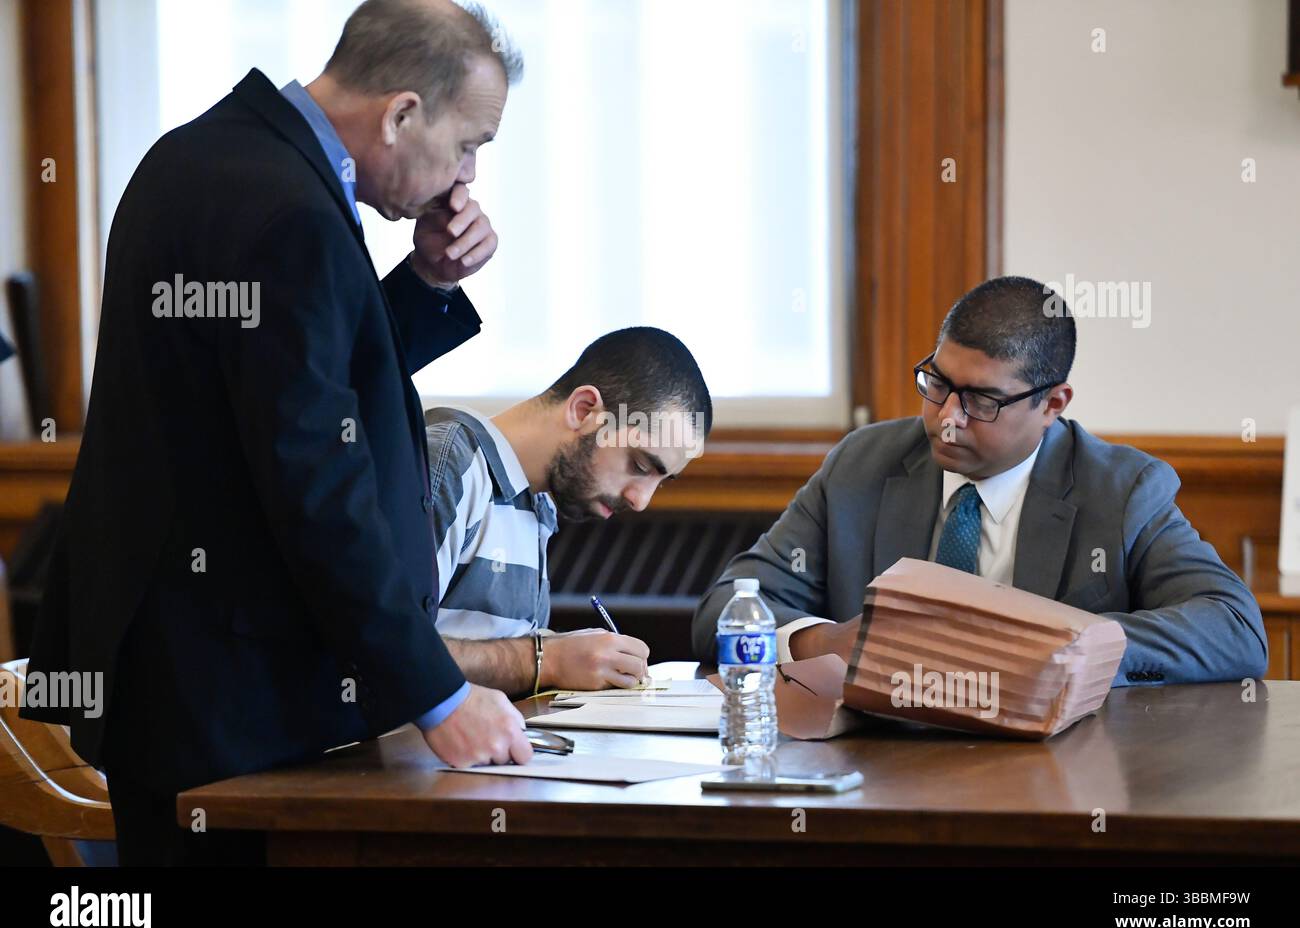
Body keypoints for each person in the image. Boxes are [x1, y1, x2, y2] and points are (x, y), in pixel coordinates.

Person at [22, 0, 532, 865]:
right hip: (234, 705)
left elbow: (294, 388)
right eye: (470, 143)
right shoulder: (289, 212)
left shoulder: (207, 153)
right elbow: (314, 486)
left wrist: (427, 284)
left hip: (186, 680)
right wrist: (439, 695)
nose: (466, 178)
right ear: (402, 113)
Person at [692, 276, 1267, 686]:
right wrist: (820, 643)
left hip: (1055, 782)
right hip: (876, 775)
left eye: (982, 401)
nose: (948, 419)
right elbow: (727, 606)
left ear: (1052, 404)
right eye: (937, 384)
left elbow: (1234, 629)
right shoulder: (862, 466)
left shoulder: (1120, 490)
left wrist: (1058, 643)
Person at [424, 327, 712, 697]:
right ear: (584, 410)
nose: (642, 500)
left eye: (663, 481)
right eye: (640, 466)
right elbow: (385, 648)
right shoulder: (449, 464)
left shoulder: (538, 504)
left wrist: (569, 658)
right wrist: (548, 660)